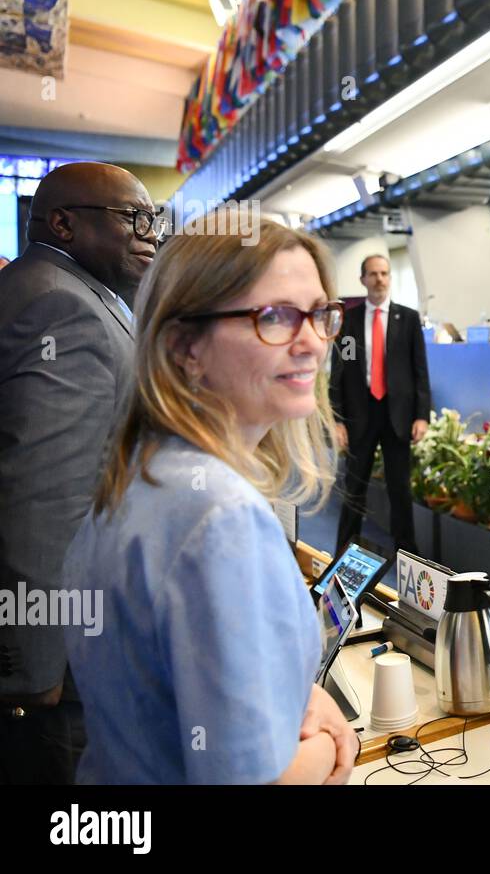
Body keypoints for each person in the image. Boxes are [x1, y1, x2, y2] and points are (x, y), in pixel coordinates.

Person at [62, 210, 359, 784]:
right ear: (185, 348)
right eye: (274, 317)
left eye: (321, 315)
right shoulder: (220, 516)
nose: (311, 343)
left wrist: (301, 697)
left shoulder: (141, 471)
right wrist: (330, 743)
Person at [0, 162, 162, 784]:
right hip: (57, 668)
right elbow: (40, 501)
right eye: (132, 217)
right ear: (63, 224)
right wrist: (32, 674)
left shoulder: (55, 290)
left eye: (154, 219)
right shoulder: (60, 310)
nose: (149, 233)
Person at [331, 254, 430, 556]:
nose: (379, 279)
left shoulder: (408, 318)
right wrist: (337, 419)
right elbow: (339, 369)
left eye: (384, 273)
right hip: (360, 414)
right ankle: (344, 553)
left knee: (400, 490)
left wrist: (421, 416)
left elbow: (420, 370)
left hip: (397, 415)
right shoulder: (349, 319)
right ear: (363, 280)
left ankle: (407, 556)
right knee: (354, 488)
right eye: (373, 274)